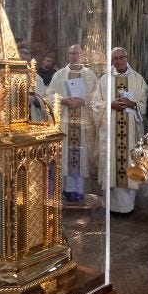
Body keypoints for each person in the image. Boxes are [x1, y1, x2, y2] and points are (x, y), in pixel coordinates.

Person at [91, 47, 148, 214]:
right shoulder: (104, 80)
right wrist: (110, 105)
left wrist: (133, 104)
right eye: (115, 58)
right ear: (112, 61)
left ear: (126, 57)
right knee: (111, 165)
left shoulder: (138, 79)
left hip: (130, 133)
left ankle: (126, 206)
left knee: (128, 163)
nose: (119, 61)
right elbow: (95, 104)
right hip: (110, 133)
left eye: (121, 57)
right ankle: (109, 206)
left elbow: (145, 104)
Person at [45, 44, 99, 203]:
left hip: (83, 125)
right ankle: (66, 191)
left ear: (82, 55)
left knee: (81, 158)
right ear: (67, 55)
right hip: (65, 124)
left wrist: (84, 100)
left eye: (77, 53)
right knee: (66, 157)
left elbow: (97, 98)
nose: (74, 56)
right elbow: (48, 96)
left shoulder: (90, 75)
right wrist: (63, 100)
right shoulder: (59, 75)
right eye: (71, 53)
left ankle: (80, 192)